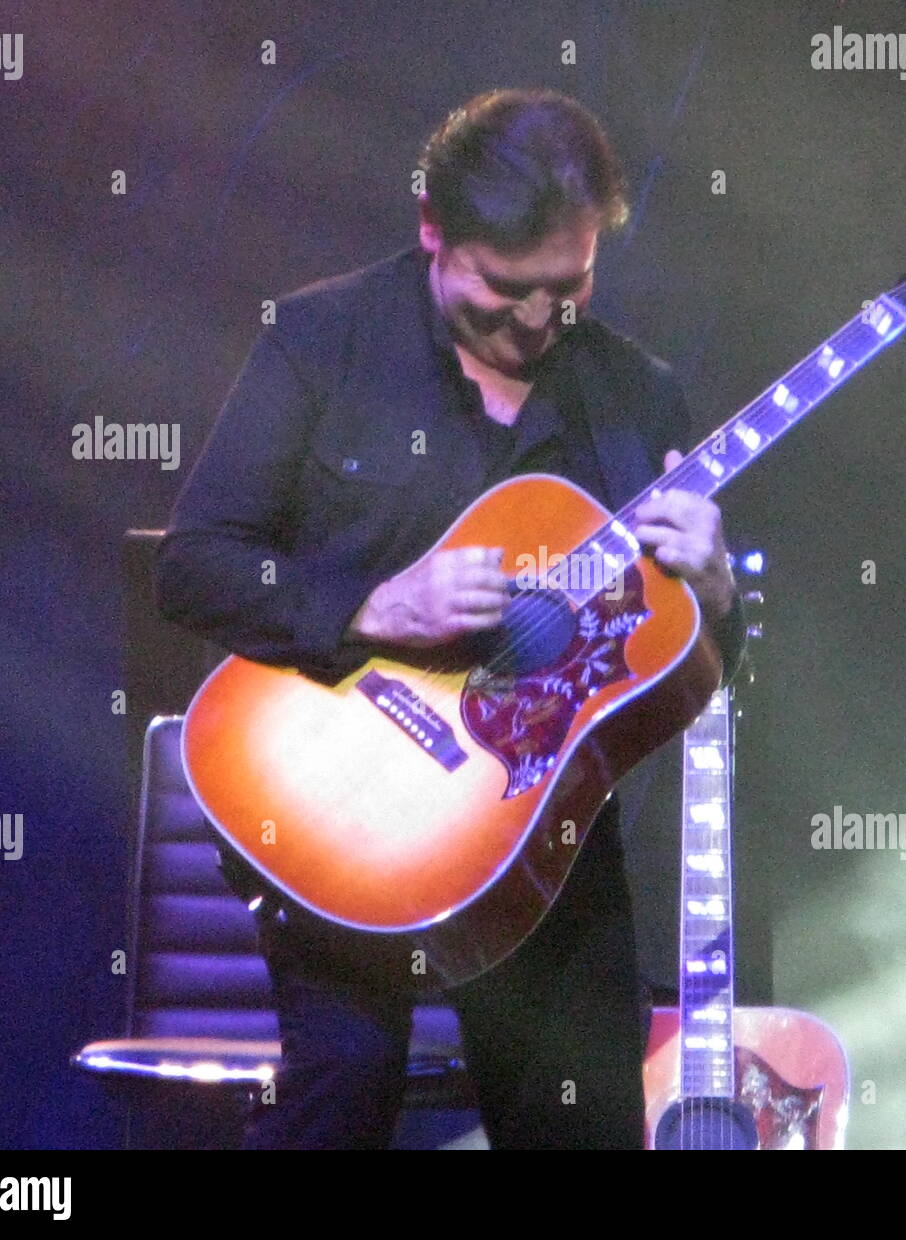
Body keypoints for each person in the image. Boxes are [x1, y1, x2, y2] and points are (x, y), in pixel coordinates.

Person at [155, 87, 745, 1149]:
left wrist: (715, 586)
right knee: (340, 1084)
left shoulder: (635, 397)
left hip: (539, 840)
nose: (531, 321)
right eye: (500, 289)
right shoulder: (322, 340)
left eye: (564, 289)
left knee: (586, 1115)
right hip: (343, 812)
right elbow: (196, 565)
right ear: (433, 227)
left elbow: (695, 673)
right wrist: (376, 605)